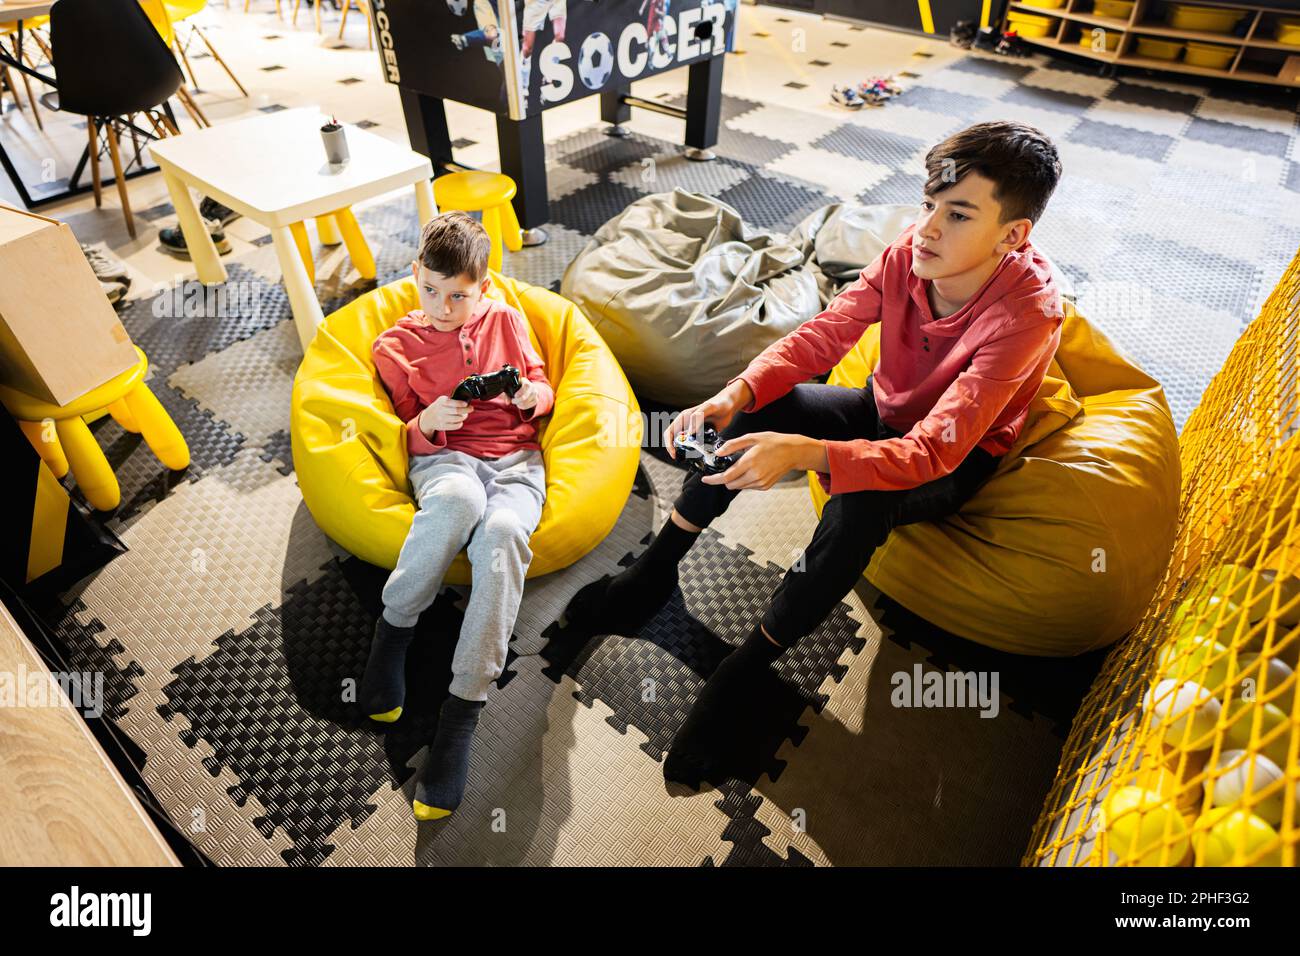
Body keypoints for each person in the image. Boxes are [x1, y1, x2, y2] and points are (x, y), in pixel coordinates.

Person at [564, 121, 1066, 788]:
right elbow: (825, 332)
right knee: (762, 403)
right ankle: (658, 568)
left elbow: (934, 451)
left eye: (957, 214)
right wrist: (737, 390)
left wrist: (807, 453)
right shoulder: (908, 256)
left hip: (954, 459)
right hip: (882, 409)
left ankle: (741, 673)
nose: (927, 229)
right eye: (927, 205)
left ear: (1013, 236)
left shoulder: (1027, 314)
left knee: (860, 501)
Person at [363, 211, 554, 819]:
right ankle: (393, 635)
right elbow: (402, 430)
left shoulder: (508, 320)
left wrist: (534, 395)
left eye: (459, 296)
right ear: (414, 273)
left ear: (485, 286)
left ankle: (462, 712)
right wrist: (424, 425)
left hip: (517, 462)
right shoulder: (394, 346)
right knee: (459, 503)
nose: (444, 308)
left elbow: (543, 384)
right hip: (447, 462)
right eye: (431, 291)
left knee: (501, 535)